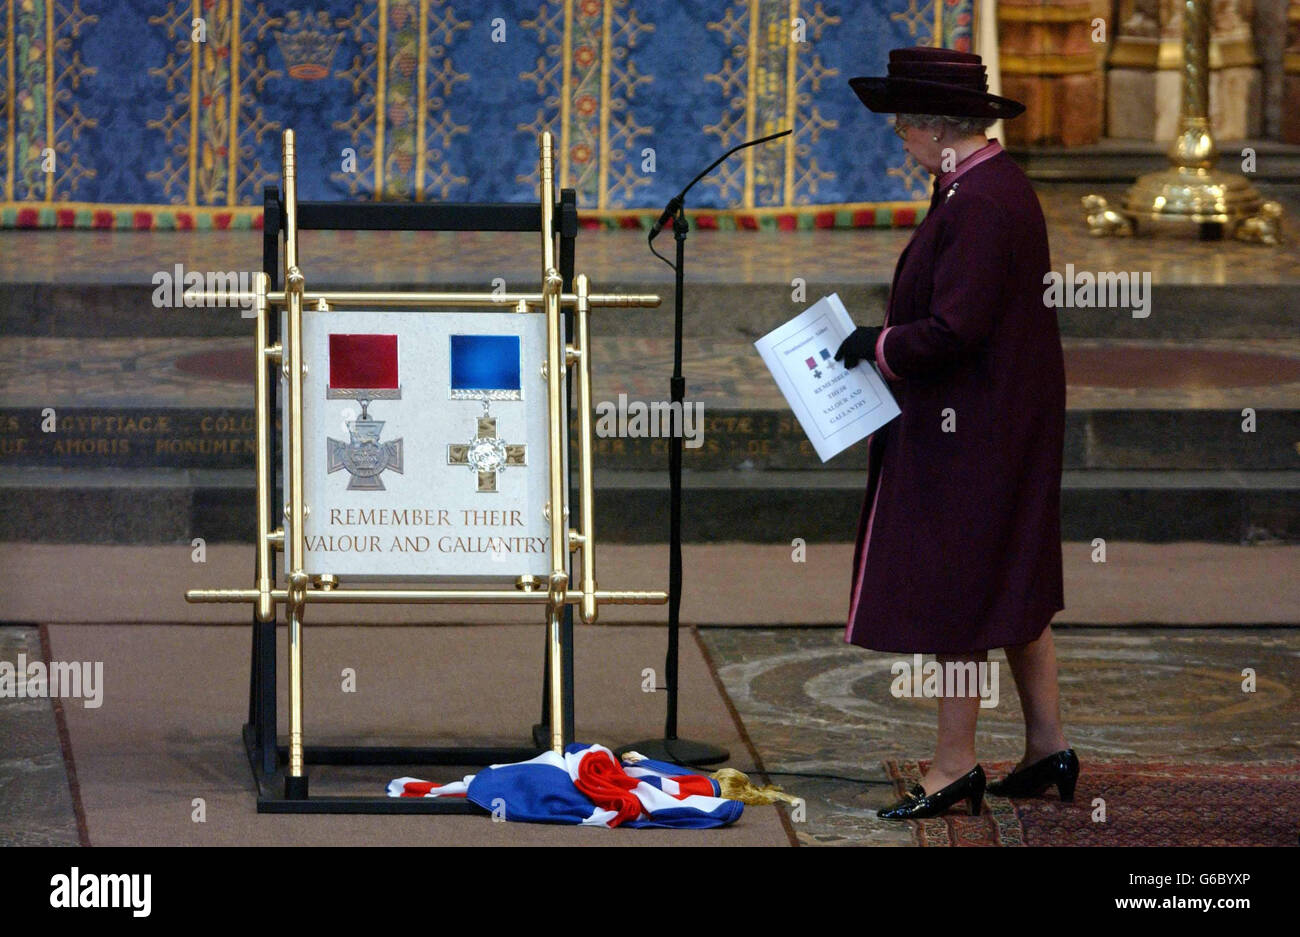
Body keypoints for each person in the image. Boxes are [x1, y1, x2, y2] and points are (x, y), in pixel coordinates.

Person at [836, 47, 1078, 820]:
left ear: (941, 128)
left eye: (905, 125)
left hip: (973, 426)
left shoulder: (976, 202)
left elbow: (954, 329)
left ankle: (953, 765)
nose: (900, 138)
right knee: (1014, 580)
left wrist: (877, 344)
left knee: (961, 597)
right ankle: (1047, 748)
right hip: (1000, 417)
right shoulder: (985, 184)